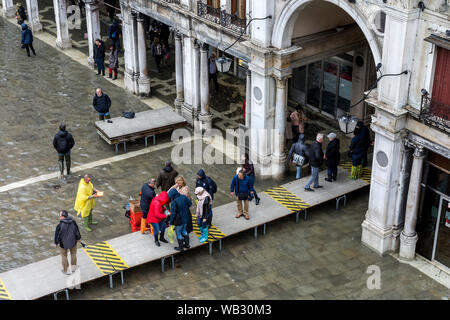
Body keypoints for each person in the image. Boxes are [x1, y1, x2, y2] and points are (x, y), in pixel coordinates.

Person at [54, 210, 81, 275]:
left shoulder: (59, 225)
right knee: (73, 254)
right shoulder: (73, 222)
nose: (59, 217)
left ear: (63, 216)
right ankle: (74, 268)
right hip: (73, 242)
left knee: (64, 256)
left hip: (63, 244)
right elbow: (77, 231)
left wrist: (56, 243)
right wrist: (78, 238)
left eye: (60, 216)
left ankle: (66, 270)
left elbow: (57, 235)